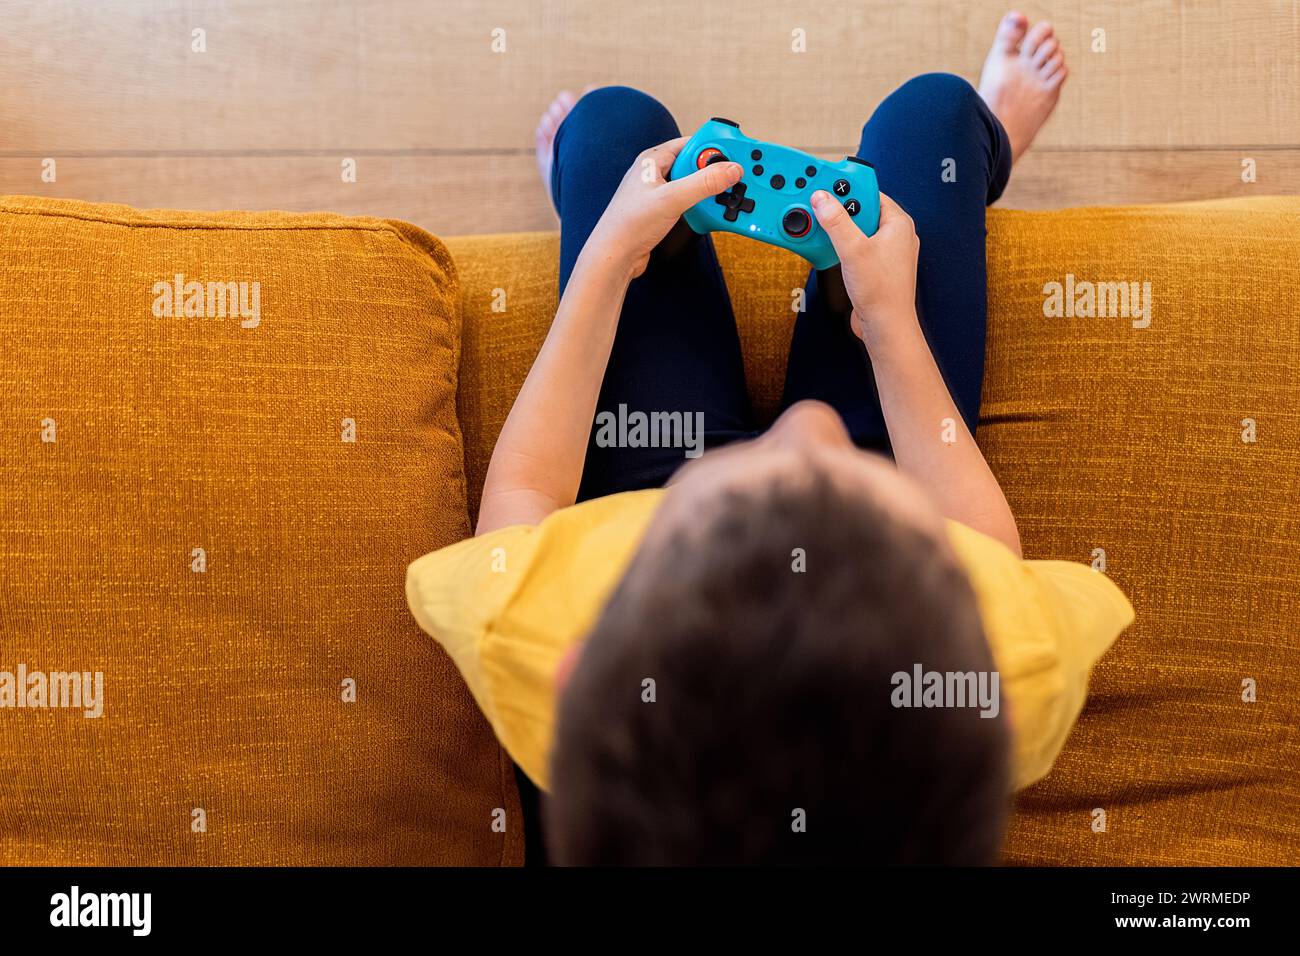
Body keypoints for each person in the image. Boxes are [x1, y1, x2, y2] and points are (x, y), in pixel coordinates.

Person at [408, 12, 1132, 864]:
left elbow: (526, 489)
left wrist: (606, 256)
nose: (806, 424)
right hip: (819, 503)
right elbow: (986, 549)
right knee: (933, 116)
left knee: (612, 130)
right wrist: (887, 321)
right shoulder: (963, 684)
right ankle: (985, 143)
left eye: (769, 461)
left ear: (582, 679)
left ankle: (586, 199)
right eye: (826, 455)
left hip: (668, 483)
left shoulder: (552, 657)